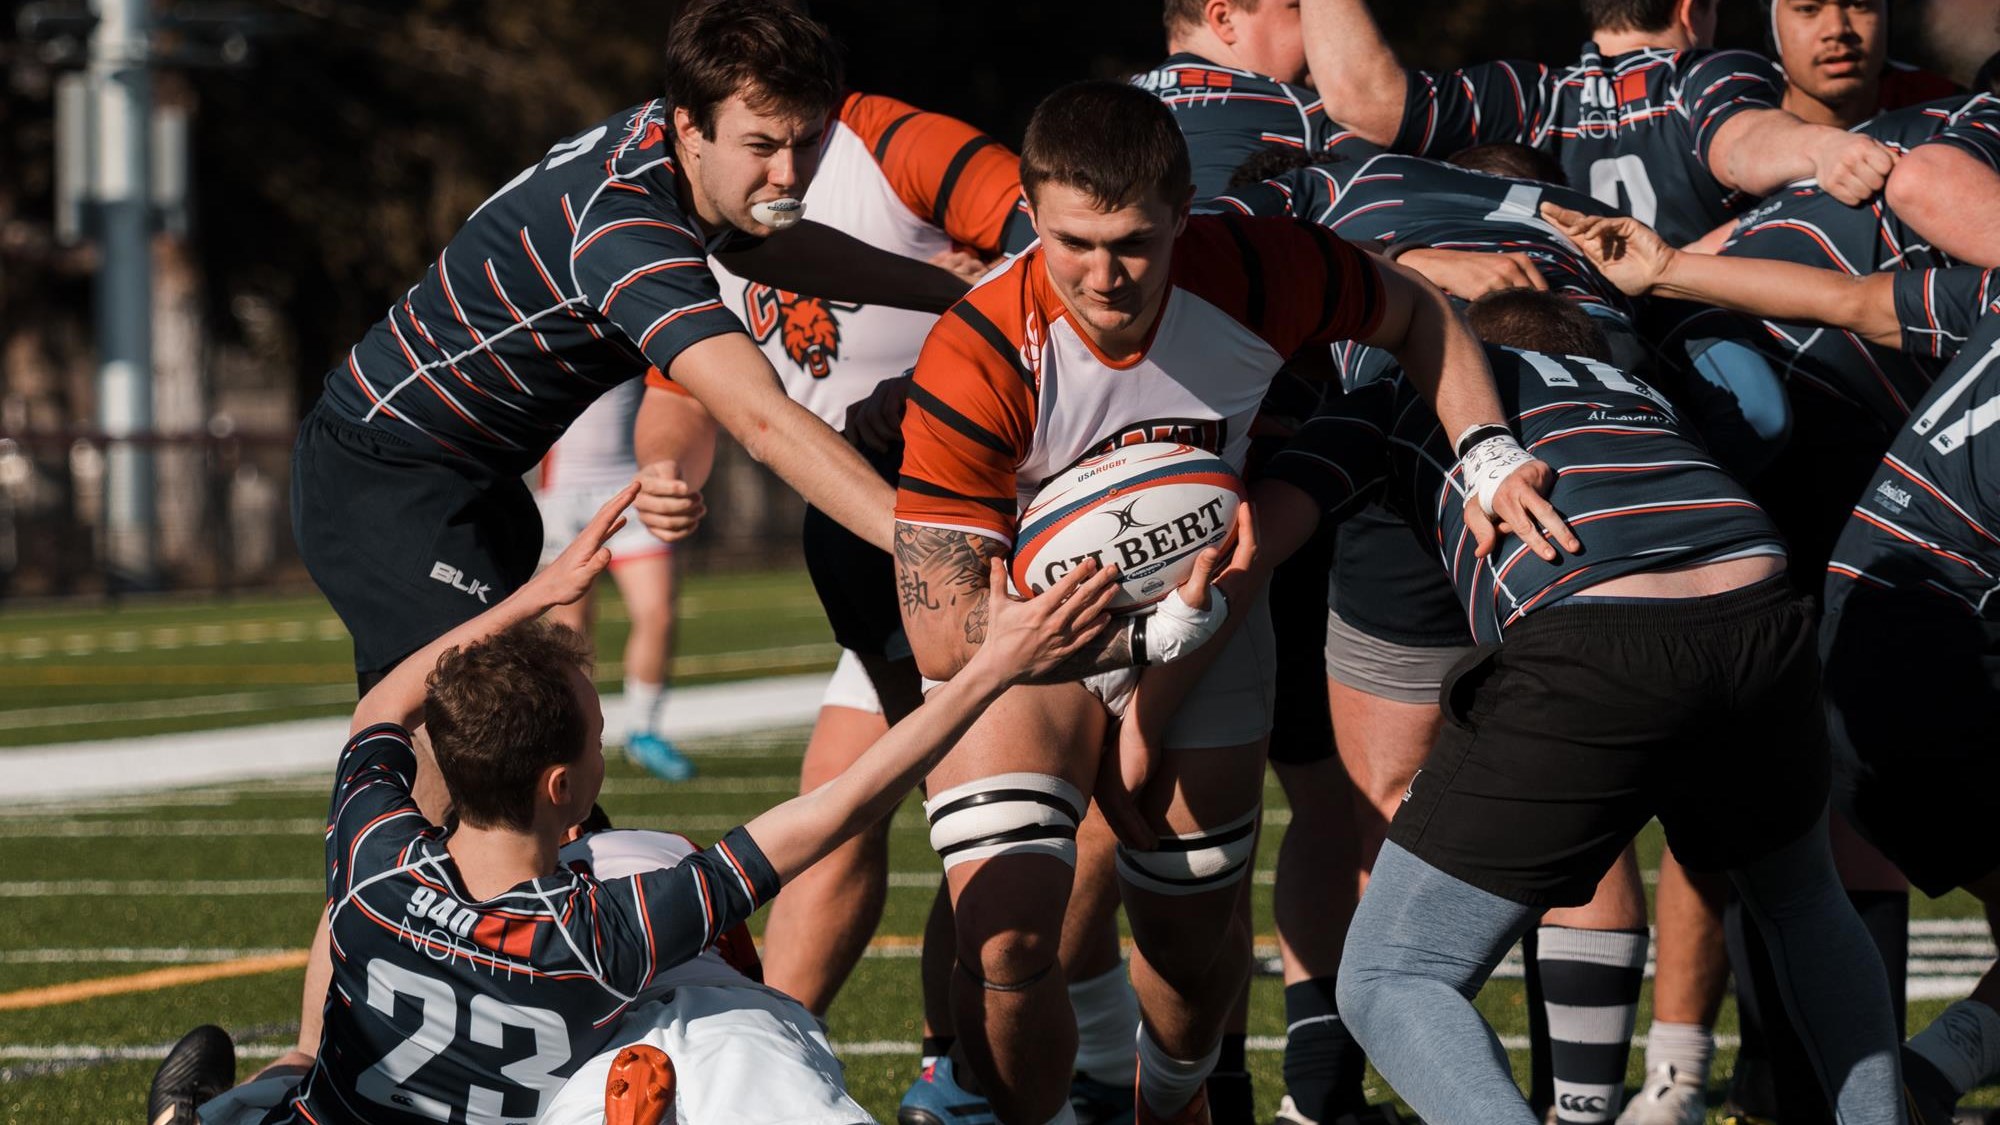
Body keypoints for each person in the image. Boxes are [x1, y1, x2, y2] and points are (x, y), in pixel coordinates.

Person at [278, 0, 979, 1083]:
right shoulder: (627, 228)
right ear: (691, 127)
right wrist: (927, 546)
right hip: (392, 480)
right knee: (472, 786)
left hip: (467, 484)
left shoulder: (679, 156)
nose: (786, 166)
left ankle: (358, 1066)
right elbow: (755, 416)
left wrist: (950, 291)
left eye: (806, 137)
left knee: (484, 790)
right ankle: (317, 1071)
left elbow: (777, 241)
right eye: (760, 142)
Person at [892, 79, 1568, 1125]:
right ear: (1029, 212)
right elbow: (941, 629)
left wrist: (1486, 456)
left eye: (1132, 243)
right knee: (1011, 936)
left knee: (1189, 942)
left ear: (1180, 215)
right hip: (1029, 635)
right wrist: (1138, 631)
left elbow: (1419, 314)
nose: (1104, 275)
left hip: (1213, 612)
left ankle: (1174, 1105)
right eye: (1073, 241)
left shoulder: (1252, 266)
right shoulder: (977, 350)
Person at [145, 482, 1125, 1125]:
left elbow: (381, 706)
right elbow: (834, 810)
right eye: (598, 733)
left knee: (307, 1072)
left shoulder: (374, 855)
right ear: (564, 791)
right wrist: (994, 667)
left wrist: (532, 596)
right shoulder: (601, 931)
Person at [1248, 287, 1905, 1125]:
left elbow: (1262, 532)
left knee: (1391, 977)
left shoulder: (1399, 392)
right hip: (1762, 605)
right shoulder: (1632, 383)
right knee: (1801, 901)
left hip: (1595, 636)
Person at [1209, 144, 1654, 1125]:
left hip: (1400, 481)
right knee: (1587, 809)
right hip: (1586, 487)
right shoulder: (1578, 237)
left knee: (1384, 805)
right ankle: (1578, 1109)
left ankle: (1367, 1088)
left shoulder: (1323, 226)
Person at [1297, 0, 1900, 245]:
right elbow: (1738, 140)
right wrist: (1819, 147)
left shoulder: (1534, 93)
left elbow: (1366, 103)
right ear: (1693, 11)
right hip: (1715, 350)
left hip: (1589, 354)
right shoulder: (1707, 70)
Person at [538, 376, 693, 782]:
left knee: (657, 613)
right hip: (565, 493)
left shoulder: (632, 322)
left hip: (630, 485)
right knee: (571, 629)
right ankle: (572, 738)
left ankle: (645, 732)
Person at [1132, 0, 1374, 198]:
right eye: (1300, 8)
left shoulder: (1108, 107)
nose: (1326, 26)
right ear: (1224, 19)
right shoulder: (1303, 111)